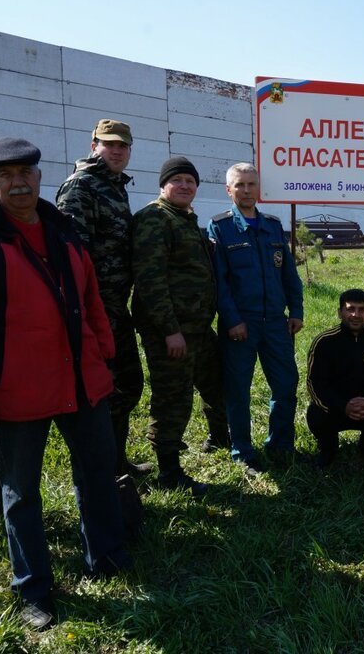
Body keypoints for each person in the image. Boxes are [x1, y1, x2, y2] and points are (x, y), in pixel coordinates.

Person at [0, 138, 130, 629]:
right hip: (15, 390)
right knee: (21, 495)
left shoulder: (62, 228)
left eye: (27, 173)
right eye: (7, 175)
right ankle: (34, 591)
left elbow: (91, 299)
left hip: (81, 379)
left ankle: (104, 558)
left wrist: (104, 354)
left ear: (40, 175)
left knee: (98, 474)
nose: (19, 183)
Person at [56, 119, 149, 477]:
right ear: (93, 143)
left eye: (123, 146)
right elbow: (72, 258)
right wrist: (85, 317)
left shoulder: (113, 186)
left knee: (125, 386)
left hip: (114, 307)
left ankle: (114, 461)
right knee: (104, 392)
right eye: (109, 144)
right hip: (93, 312)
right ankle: (101, 471)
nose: (116, 150)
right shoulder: (81, 187)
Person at [131, 157, 225, 495]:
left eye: (191, 181)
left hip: (197, 327)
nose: (185, 186)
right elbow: (149, 280)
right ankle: (169, 470)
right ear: (163, 184)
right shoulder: (154, 219)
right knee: (174, 397)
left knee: (214, 381)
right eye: (177, 180)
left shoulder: (183, 219)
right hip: (171, 331)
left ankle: (220, 437)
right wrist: (170, 330)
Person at [207, 163, 304, 475]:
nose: (246, 191)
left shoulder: (273, 226)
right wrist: (232, 320)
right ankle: (242, 451)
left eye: (251, 184)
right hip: (241, 325)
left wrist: (297, 311)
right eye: (240, 185)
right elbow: (219, 283)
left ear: (258, 188)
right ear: (229, 190)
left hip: (276, 322)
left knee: (286, 384)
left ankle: (280, 444)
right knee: (238, 389)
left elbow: (289, 273)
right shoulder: (220, 227)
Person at [306, 289, 364, 467]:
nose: (356, 315)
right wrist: (344, 405)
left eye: (362, 309)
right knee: (315, 413)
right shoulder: (324, 342)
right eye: (350, 309)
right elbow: (315, 383)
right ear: (340, 312)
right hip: (337, 408)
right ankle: (328, 448)